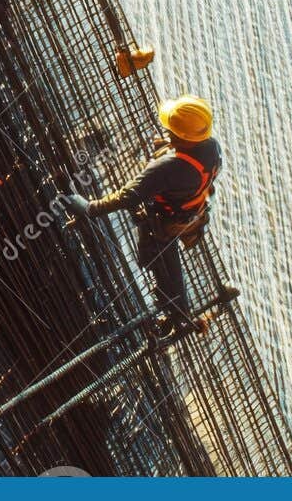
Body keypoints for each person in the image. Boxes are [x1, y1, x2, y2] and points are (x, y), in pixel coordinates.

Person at [61, 95, 221, 338]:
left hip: (166, 220)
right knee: (165, 256)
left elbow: (129, 197)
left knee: (153, 256)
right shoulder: (212, 147)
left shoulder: (168, 168)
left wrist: (89, 208)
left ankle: (177, 312)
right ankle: (178, 310)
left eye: (172, 130)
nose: (167, 130)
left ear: (183, 137)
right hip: (190, 213)